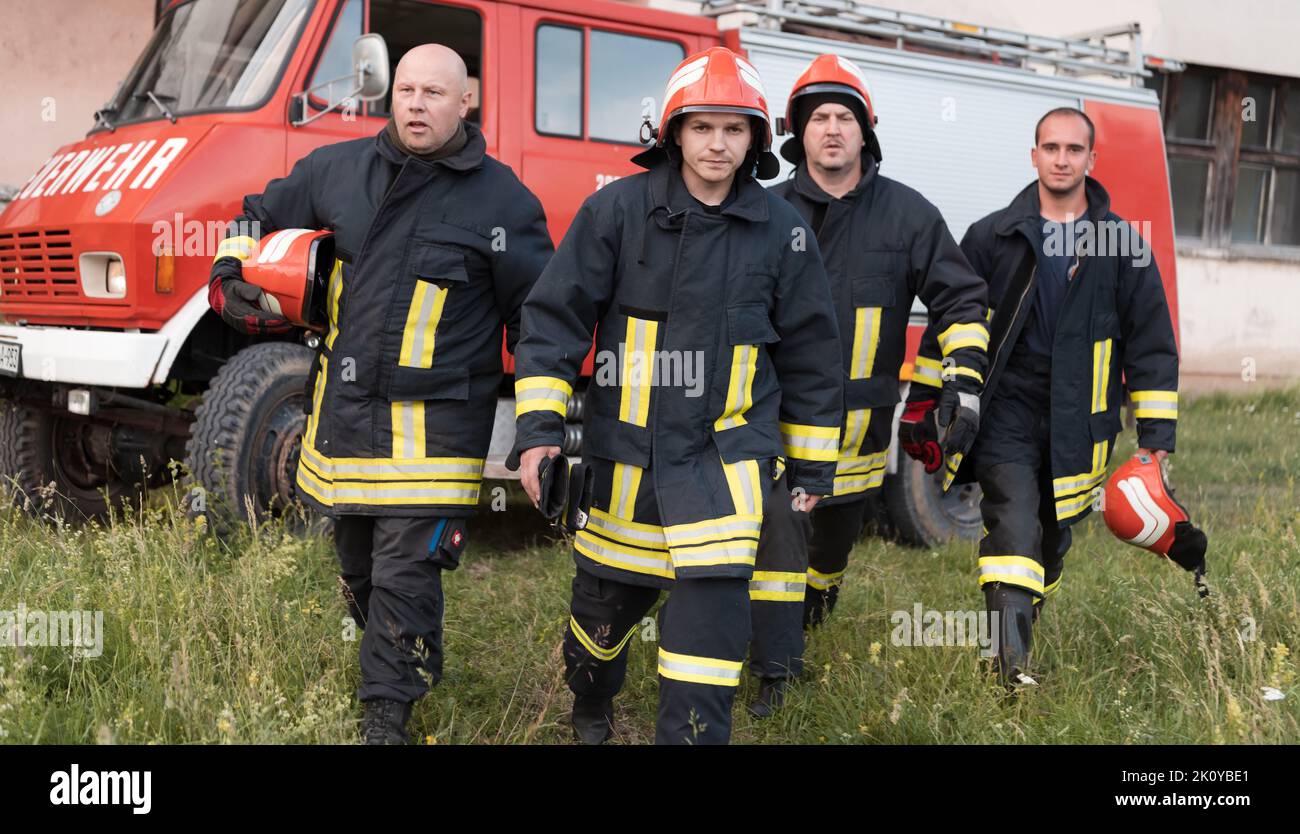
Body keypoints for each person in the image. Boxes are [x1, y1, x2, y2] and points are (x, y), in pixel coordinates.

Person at [206, 45, 554, 742]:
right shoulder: (334, 170)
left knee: (406, 572)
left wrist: (540, 425)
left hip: (436, 434)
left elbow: (540, 320)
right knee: (360, 571)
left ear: (466, 103)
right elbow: (256, 217)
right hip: (344, 422)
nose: (416, 104)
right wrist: (229, 272)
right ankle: (407, 659)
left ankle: (386, 714)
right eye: (406, 90)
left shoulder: (505, 203)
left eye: (434, 93)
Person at [511, 47, 843, 744]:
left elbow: (812, 356)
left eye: (734, 129)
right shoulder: (615, 211)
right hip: (626, 467)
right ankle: (591, 704)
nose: (718, 144)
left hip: (727, 468)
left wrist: (812, 468)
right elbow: (553, 320)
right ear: (673, 133)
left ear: (756, 139)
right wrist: (539, 430)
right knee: (597, 635)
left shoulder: (783, 232)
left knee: (706, 652)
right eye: (702, 128)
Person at [749, 54, 989, 716]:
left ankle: (809, 616)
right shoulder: (766, 212)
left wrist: (960, 385)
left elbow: (962, 300)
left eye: (844, 118)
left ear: (865, 131)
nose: (832, 129)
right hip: (776, 429)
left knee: (828, 556)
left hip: (860, 438)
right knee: (778, 541)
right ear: (798, 131)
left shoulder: (908, 216)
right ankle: (773, 672)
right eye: (819, 118)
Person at [952, 107, 1179, 684]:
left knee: (1051, 541)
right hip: (1009, 406)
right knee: (1014, 526)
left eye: (1073, 149)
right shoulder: (992, 236)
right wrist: (940, 401)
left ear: (1091, 159)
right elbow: (953, 319)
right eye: (1050, 148)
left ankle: (1016, 626)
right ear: (1034, 156)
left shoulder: (1123, 245)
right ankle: (1009, 672)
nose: (1061, 159)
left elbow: (1151, 345)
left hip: (1080, 417)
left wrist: (1155, 440)